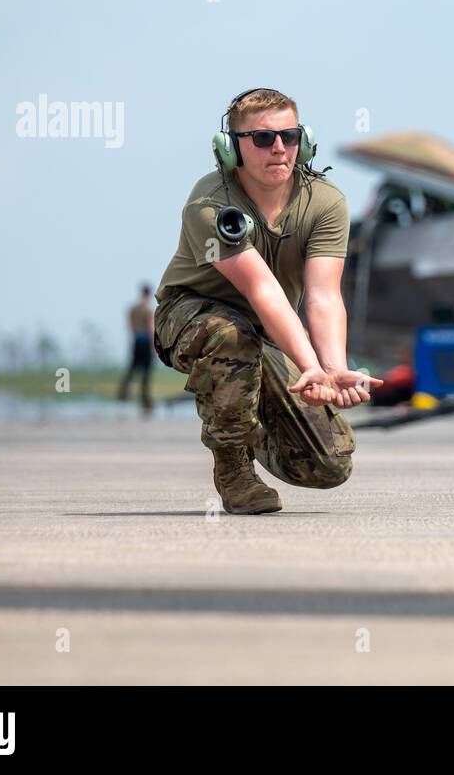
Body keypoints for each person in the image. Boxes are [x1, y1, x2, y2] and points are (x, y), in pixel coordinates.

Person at [153, 88, 382, 514]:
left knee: (327, 465)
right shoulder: (211, 205)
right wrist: (308, 363)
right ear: (230, 148)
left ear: (304, 142)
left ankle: (240, 412)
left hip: (264, 330)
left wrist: (331, 369)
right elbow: (262, 289)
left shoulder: (325, 202)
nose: (279, 148)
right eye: (261, 138)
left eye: (289, 137)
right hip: (190, 317)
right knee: (229, 334)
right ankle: (233, 465)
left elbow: (323, 295)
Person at [117, 283, 155, 411]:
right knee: (146, 372)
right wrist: (153, 346)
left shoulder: (133, 308)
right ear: (148, 293)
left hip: (136, 340)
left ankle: (123, 393)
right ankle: (145, 400)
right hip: (145, 342)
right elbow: (150, 328)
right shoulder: (147, 309)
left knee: (132, 369)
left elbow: (129, 325)